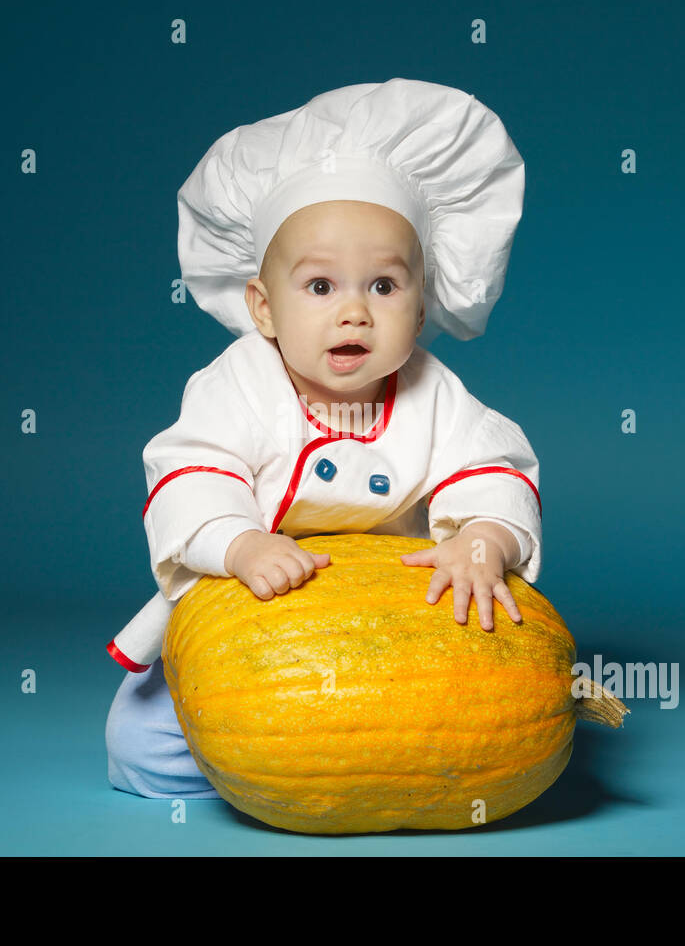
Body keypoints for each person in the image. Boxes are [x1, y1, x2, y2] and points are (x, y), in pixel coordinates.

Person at [105, 79, 540, 799]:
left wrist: (485, 538)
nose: (352, 312)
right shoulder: (238, 381)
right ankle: (250, 764)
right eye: (319, 287)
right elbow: (191, 471)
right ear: (263, 307)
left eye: (382, 286)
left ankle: (356, 769)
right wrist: (237, 543)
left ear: (423, 303)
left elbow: (491, 466)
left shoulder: (435, 392)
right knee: (139, 741)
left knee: (474, 714)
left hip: (389, 647)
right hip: (249, 625)